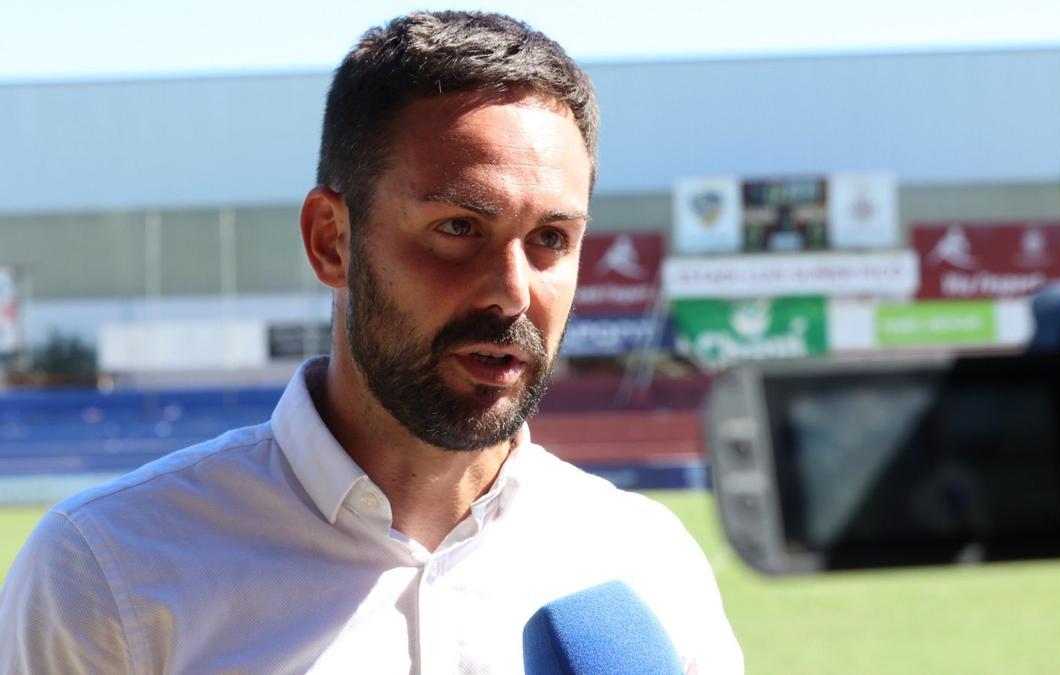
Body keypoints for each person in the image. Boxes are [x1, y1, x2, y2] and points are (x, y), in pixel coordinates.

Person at [0, 10, 743, 674]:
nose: (513, 290)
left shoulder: (647, 561)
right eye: (459, 228)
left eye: (551, 238)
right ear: (331, 239)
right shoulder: (105, 570)